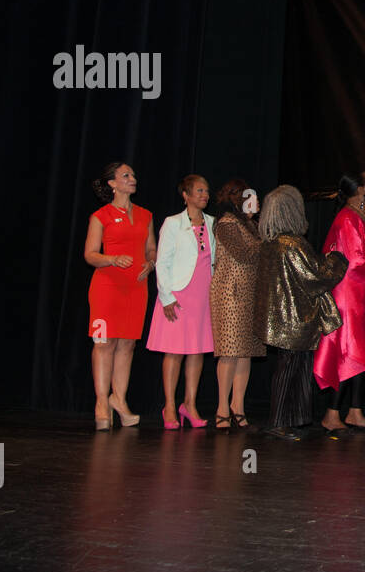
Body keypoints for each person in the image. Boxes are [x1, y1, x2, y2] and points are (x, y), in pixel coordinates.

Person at [253, 185, 348, 440]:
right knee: (290, 370)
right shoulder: (292, 244)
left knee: (290, 369)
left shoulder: (269, 244)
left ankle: (291, 419)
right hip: (294, 320)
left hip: (277, 319)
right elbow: (316, 276)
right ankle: (279, 421)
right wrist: (337, 259)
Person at [84, 161, 155, 430]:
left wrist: (151, 262)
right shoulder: (100, 216)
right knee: (104, 343)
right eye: (126, 175)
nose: (132, 178)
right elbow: (90, 254)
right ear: (112, 183)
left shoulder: (146, 215)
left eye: (133, 175)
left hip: (136, 288)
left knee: (127, 344)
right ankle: (101, 401)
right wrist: (112, 258)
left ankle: (120, 399)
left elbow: (151, 248)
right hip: (107, 287)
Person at [148, 175, 216, 429]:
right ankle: (169, 405)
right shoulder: (173, 223)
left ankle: (189, 403)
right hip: (178, 294)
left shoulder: (212, 223)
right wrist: (166, 296)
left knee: (197, 351)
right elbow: (162, 262)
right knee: (174, 352)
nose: (204, 195)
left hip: (202, 295)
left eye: (206, 191)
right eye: (199, 190)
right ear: (185, 195)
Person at [313, 173, 365, 434]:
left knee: (363, 353)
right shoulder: (348, 218)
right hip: (349, 294)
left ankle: (355, 410)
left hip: (361, 293)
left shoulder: (359, 216)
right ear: (360, 191)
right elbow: (356, 261)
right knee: (348, 351)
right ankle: (332, 413)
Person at [209, 178, 264, 430]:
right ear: (239, 200)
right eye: (253, 199)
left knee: (245, 353)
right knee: (229, 352)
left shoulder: (253, 226)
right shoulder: (227, 224)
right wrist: (269, 243)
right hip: (230, 294)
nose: (258, 203)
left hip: (250, 294)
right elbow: (244, 253)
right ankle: (221, 406)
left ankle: (237, 406)